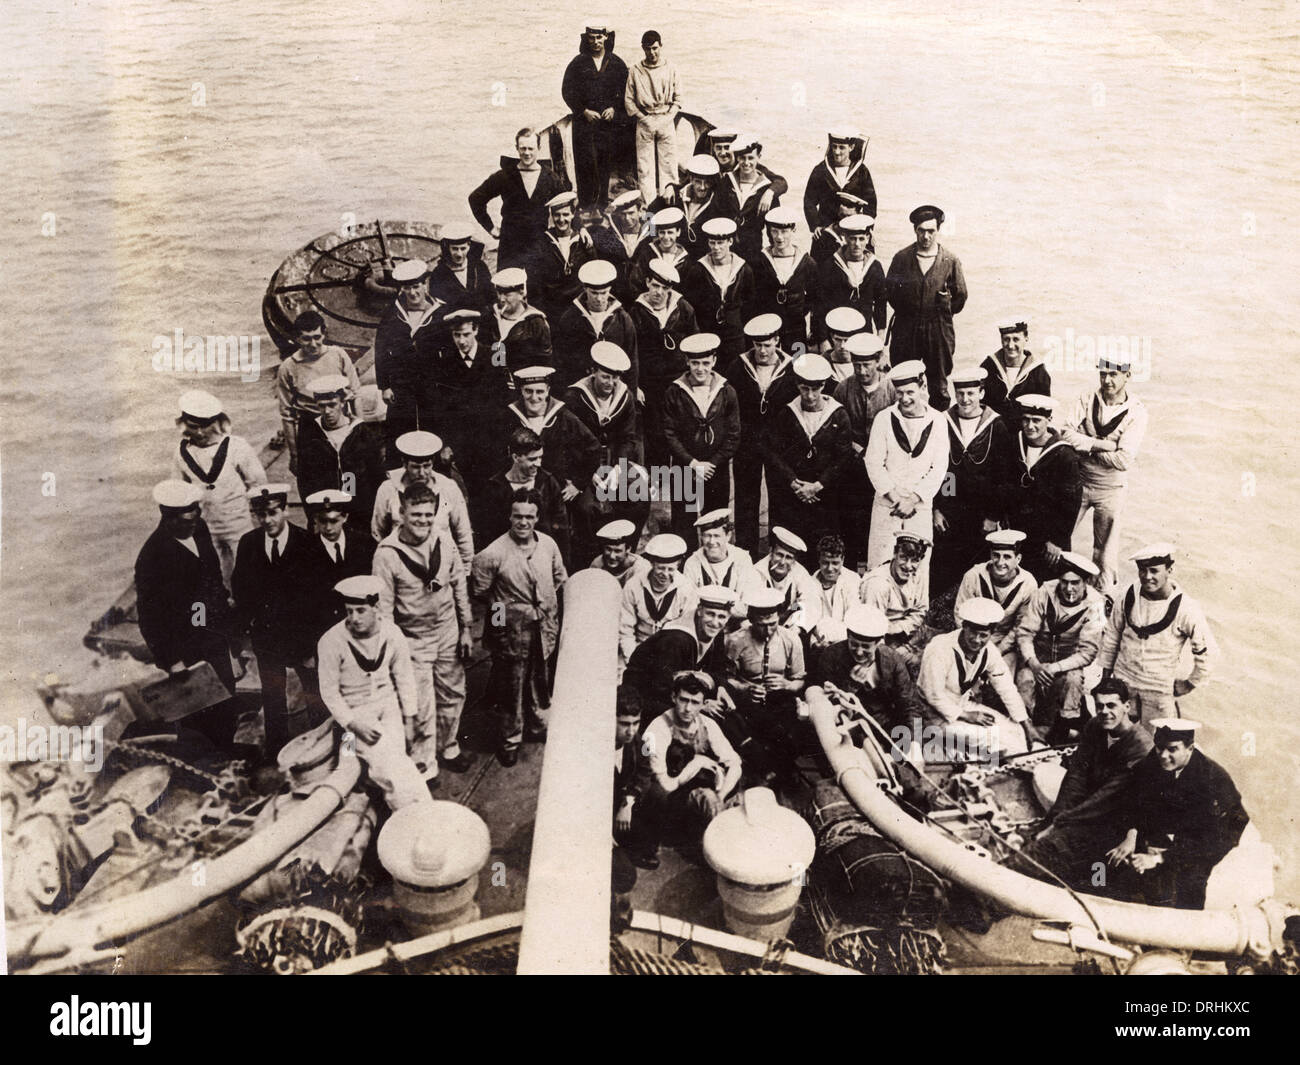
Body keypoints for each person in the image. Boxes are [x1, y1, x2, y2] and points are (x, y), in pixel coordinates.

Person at [373, 482, 474, 781]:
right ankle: (424, 764)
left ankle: (449, 746)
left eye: (429, 515)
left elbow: (458, 584)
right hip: (412, 639)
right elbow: (384, 610)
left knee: (453, 693)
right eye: (416, 515)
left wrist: (466, 627)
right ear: (402, 513)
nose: (423, 521)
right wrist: (391, 654)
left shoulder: (444, 540)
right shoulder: (387, 554)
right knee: (419, 704)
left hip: (446, 630)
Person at [1010, 677, 1152, 889]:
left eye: (1111, 705)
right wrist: (1054, 818)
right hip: (1089, 810)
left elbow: (1106, 798)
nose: (1105, 712)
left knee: (1056, 852)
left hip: (1116, 821)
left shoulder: (1140, 747)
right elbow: (1075, 777)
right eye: (1099, 706)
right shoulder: (1096, 726)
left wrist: (1060, 824)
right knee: (1043, 845)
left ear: (1127, 706)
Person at [134, 481, 238, 746]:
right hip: (185, 643)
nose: (192, 525)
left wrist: (226, 620)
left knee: (226, 697)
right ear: (168, 517)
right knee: (196, 712)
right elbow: (149, 617)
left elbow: (212, 576)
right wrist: (171, 660)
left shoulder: (199, 529)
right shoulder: (152, 557)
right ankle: (202, 763)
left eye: (195, 517)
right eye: (185, 522)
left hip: (212, 632)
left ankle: (225, 753)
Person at [231, 484, 330, 763]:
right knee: (273, 699)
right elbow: (241, 592)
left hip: (302, 641)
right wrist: (239, 642)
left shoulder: (308, 544)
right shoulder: (248, 544)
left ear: (286, 510)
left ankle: (321, 751)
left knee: (315, 699)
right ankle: (275, 756)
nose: (267, 521)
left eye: (273, 513)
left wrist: (312, 648)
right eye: (260, 514)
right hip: (268, 641)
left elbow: (318, 600)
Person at [1105, 719, 1248, 910]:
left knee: (1191, 882)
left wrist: (1159, 858)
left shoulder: (1211, 780)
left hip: (1208, 839)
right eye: (1159, 748)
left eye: (1172, 749)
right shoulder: (1155, 760)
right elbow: (1134, 796)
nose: (1163, 755)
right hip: (1168, 827)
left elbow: (1212, 840)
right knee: (1114, 855)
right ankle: (1111, 895)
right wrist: (1132, 833)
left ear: (1189, 748)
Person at [316, 576, 432, 809]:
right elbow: (329, 692)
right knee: (393, 765)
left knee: (396, 761)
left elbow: (404, 677)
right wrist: (352, 724)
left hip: (387, 705)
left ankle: (409, 812)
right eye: (349, 611)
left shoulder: (392, 633)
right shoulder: (331, 641)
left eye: (360, 611)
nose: (353, 618)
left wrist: (409, 720)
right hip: (355, 712)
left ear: (376, 608)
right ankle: (419, 814)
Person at [471, 489, 568, 766]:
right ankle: (510, 740)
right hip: (513, 633)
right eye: (518, 517)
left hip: (543, 629)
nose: (523, 522)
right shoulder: (493, 553)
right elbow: (485, 595)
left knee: (540, 679)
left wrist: (547, 610)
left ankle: (538, 726)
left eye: (529, 517)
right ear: (509, 517)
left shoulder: (548, 545)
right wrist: (501, 630)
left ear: (537, 518)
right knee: (511, 688)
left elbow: (560, 577)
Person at [1059, 353, 1149, 597]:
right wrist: (1103, 445)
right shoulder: (1087, 398)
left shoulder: (1137, 412)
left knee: (1104, 553)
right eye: (1103, 373)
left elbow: (1122, 460)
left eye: (1114, 374)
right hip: (1079, 482)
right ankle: (1057, 593)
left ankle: (1102, 604)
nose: (1107, 380)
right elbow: (1065, 434)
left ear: (1127, 376)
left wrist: (1086, 448)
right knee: (1058, 536)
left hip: (1111, 490)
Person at [1098, 543, 1217, 722]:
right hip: (1124, 681)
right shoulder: (1126, 596)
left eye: (1154, 571)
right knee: (1117, 739)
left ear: (1169, 570)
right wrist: (1106, 679)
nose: (1147, 577)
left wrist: (1190, 683)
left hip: (1158, 689)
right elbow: (1112, 636)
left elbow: (1209, 652)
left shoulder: (1187, 609)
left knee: (1155, 743)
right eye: (1142, 570)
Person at [917, 597, 1041, 760]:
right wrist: (967, 716)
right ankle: (1020, 767)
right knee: (993, 738)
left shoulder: (989, 651)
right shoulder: (940, 647)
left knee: (1015, 729)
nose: (977, 640)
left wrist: (1027, 725)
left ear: (991, 633)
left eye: (983, 635)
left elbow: (1007, 689)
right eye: (973, 633)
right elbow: (933, 695)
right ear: (964, 627)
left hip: (963, 705)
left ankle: (1030, 761)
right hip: (932, 714)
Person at [637, 671, 742, 861]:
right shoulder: (657, 728)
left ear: (703, 704)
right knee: (705, 800)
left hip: (692, 786)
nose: (687, 708)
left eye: (695, 703)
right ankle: (724, 853)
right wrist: (697, 764)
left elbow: (735, 762)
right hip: (665, 793)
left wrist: (721, 794)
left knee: (737, 797)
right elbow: (665, 784)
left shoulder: (707, 724)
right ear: (673, 697)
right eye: (683, 700)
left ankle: (723, 843)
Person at [499, 367, 602, 556]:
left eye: (540, 391)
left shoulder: (562, 416)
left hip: (560, 485)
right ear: (521, 391)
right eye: (528, 391)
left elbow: (593, 448)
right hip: (524, 483)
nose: (534, 397)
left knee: (586, 511)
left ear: (547, 391)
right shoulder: (511, 417)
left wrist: (577, 484)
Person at [930, 365, 1015, 594]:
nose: (965, 400)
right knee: (945, 564)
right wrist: (939, 508)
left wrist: (992, 515)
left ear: (981, 393)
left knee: (977, 566)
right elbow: (944, 470)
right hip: (952, 508)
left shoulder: (996, 425)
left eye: (971, 393)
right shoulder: (944, 422)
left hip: (982, 511)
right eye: (960, 394)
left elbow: (1003, 476)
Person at [172, 389, 267, 586]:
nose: (199, 433)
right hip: (206, 526)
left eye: (205, 427)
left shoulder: (236, 447)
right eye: (193, 427)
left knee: (247, 569)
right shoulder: (181, 454)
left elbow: (258, 483)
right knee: (213, 572)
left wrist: (263, 515)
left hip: (237, 523)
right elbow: (178, 492)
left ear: (216, 423)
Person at [863, 361, 950, 570]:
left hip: (918, 506)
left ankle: (915, 604)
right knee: (881, 562)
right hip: (888, 506)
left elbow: (939, 468)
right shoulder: (884, 419)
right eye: (899, 393)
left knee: (917, 565)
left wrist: (912, 499)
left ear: (922, 388)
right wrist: (895, 498)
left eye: (910, 392)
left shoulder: (938, 421)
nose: (905, 398)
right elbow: (873, 462)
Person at [724, 312, 798, 553]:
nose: (763, 351)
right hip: (748, 441)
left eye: (767, 345)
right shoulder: (738, 367)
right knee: (746, 496)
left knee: (781, 496)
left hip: (778, 444)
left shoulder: (792, 368)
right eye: (758, 345)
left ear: (777, 340)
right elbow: (729, 404)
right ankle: (746, 551)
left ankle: (779, 548)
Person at [763, 352, 854, 548]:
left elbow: (844, 457)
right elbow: (773, 452)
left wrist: (819, 485)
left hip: (825, 494)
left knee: (823, 543)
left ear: (823, 386)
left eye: (815, 389)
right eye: (805, 389)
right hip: (795, 494)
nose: (810, 396)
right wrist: (793, 482)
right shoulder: (787, 413)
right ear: (797, 385)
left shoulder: (838, 415)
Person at [1014, 552, 1107, 739]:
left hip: (1067, 663)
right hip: (1038, 659)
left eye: (1075, 583)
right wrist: (1033, 663)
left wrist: (1055, 668)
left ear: (1085, 582)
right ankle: (1024, 729)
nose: (1069, 588)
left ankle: (1065, 730)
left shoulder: (1095, 604)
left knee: (1073, 681)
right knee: (1024, 678)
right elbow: (1025, 633)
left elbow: (1088, 652)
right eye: (1064, 582)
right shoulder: (1044, 593)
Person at [720, 587, 807, 784]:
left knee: (786, 728)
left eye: (772, 624)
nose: (767, 631)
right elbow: (725, 679)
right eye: (761, 625)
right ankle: (763, 770)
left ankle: (782, 770)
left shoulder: (791, 639)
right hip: (748, 702)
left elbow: (800, 680)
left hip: (780, 700)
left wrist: (786, 684)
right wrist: (745, 688)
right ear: (750, 619)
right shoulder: (735, 640)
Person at [886, 205, 968, 410]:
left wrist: (945, 305)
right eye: (921, 230)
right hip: (907, 327)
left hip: (938, 329)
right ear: (915, 230)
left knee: (939, 385)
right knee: (903, 379)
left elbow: (961, 297)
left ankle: (939, 428)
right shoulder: (901, 258)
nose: (926, 236)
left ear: (938, 230)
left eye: (931, 231)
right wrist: (909, 309)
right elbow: (890, 292)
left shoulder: (950, 260)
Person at [661, 333, 742, 540]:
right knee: (683, 521)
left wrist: (712, 463)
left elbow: (733, 434)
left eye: (706, 363)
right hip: (684, 466)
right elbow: (669, 434)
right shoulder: (674, 391)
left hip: (716, 469)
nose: (700, 369)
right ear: (687, 361)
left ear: (714, 361)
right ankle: (684, 564)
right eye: (695, 363)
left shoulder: (727, 391)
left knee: (715, 522)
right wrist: (693, 463)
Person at [622, 585, 737, 728]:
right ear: (699, 610)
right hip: (646, 698)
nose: (715, 622)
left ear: (728, 617)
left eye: (721, 616)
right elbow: (660, 687)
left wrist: (721, 688)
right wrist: (700, 706)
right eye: (710, 614)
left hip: (680, 694)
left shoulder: (716, 630)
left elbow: (718, 668)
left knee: (732, 702)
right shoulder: (677, 640)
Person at [295, 375, 388, 543]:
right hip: (326, 516)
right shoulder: (311, 436)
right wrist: (312, 516)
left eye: (332, 405)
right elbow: (305, 481)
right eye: (322, 406)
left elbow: (377, 477)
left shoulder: (361, 433)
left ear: (343, 403)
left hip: (360, 513)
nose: (327, 411)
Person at [430, 309, 512, 494]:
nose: (461, 341)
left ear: (475, 330)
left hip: (492, 441)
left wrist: (504, 440)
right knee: (474, 493)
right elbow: (441, 409)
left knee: (497, 491)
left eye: (466, 334)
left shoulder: (496, 354)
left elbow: (504, 399)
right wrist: (445, 444)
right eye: (456, 335)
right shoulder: (445, 362)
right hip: (463, 445)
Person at [808, 603, 920, 736]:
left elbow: (909, 705)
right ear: (847, 637)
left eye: (866, 647)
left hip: (884, 724)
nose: (859, 652)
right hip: (844, 726)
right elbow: (824, 704)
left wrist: (915, 741)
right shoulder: (831, 656)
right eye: (854, 644)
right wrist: (851, 686)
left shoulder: (892, 660)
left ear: (879, 643)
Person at [468, 128, 571, 270]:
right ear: (517, 148)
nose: (527, 153)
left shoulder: (550, 177)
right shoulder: (504, 176)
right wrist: (491, 228)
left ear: (539, 148)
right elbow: (475, 199)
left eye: (531, 148)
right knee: (509, 287)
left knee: (537, 287)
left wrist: (579, 229)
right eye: (523, 148)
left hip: (539, 245)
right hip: (510, 245)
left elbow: (566, 205)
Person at [274, 311, 361, 477]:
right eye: (306, 338)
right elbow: (287, 415)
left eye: (317, 337)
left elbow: (355, 394)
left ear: (324, 333)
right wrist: (294, 455)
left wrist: (360, 432)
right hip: (311, 428)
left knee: (349, 475)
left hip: (341, 421)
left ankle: (349, 501)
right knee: (317, 479)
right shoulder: (288, 367)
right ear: (297, 338)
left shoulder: (338, 355)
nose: (313, 344)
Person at [1005, 395, 1082, 581]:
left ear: (1049, 420)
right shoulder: (1015, 445)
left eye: (1036, 420)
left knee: (1046, 584)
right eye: (1025, 419)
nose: (1029, 426)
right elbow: (1003, 484)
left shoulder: (1065, 455)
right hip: (1018, 530)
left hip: (1048, 538)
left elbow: (1071, 504)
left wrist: (1056, 540)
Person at [629, 258, 697, 470]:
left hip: (678, 381)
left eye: (664, 288)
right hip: (651, 384)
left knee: (680, 430)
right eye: (655, 285)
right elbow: (630, 351)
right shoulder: (636, 312)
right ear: (647, 282)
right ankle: (658, 485)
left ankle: (679, 485)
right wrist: (636, 385)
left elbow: (695, 342)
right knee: (655, 433)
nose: (658, 292)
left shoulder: (683, 308)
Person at [833, 333, 893, 569]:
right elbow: (836, 427)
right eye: (856, 365)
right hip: (852, 466)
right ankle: (850, 567)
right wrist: (857, 449)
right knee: (851, 515)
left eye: (867, 365)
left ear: (878, 360)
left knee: (878, 518)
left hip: (883, 466)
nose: (861, 371)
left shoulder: (891, 388)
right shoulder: (843, 388)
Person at [373, 258, 446, 454]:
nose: (412, 293)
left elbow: (449, 349)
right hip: (401, 384)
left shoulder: (440, 313)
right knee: (400, 428)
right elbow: (380, 350)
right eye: (407, 288)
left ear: (425, 285)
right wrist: (385, 386)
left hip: (432, 383)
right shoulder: (391, 315)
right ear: (402, 290)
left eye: (416, 287)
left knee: (433, 427)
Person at [371, 431, 475, 568]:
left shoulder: (448, 487)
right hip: (402, 567)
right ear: (404, 463)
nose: (422, 473)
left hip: (442, 566)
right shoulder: (388, 489)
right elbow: (378, 532)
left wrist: (466, 570)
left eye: (427, 466)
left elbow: (463, 532)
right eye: (415, 467)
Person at [561, 25, 633, 208]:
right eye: (592, 38)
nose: (595, 42)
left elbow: (627, 92)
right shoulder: (578, 63)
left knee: (604, 164)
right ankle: (586, 207)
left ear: (606, 37)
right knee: (585, 164)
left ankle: (602, 207)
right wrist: (583, 111)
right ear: (587, 38)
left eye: (599, 37)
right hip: (584, 123)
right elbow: (567, 91)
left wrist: (614, 109)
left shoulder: (616, 63)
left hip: (607, 125)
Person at [476, 426, 571, 559]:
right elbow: (486, 534)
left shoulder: (548, 483)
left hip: (542, 560)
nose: (538, 464)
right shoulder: (494, 488)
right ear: (516, 457)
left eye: (540, 458)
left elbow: (561, 530)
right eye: (532, 459)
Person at [552, 259, 640, 391]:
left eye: (603, 293)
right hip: (579, 389)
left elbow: (632, 360)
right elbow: (561, 361)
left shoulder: (622, 319)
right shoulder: (570, 319)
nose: (599, 299)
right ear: (585, 289)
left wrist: (630, 394)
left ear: (610, 290)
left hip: (612, 388)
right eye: (594, 293)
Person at [954, 529, 1039, 663]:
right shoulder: (974, 576)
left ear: (1018, 559)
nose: (1000, 562)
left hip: (1004, 644)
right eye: (996, 555)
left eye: (1007, 556)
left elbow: (1020, 626)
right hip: (972, 640)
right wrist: (972, 644)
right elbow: (961, 614)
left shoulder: (1028, 583)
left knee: (1002, 677)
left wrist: (997, 651)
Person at [680, 217, 756, 362]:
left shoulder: (744, 269)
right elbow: (691, 304)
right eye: (712, 243)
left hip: (735, 335)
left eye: (720, 243)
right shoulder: (698, 270)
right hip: (708, 331)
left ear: (730, 242)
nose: (716, 248)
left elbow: (750, 303)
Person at [618, 532, 697, 669]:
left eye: (670, 569)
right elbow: (625, 629)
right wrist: (633, 659)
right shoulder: (633, 585)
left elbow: (689, 631)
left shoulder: (686, 589)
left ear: (678, 565)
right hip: (638, 647)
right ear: (652, 564)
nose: (665, 574)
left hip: (670, 653)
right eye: (660, 568)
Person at [624, 28, 682, 203]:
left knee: (669, 166)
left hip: (666, 119)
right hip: (645, 121)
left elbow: (678, 99)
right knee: (645, 168)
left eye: (655, 48)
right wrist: (645, 119)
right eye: (648, 49)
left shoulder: (671, 68)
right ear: (643, 48)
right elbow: (629, 101)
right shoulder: (635, 71)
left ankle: (669, 206)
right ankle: (649, 207)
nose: (652, 53)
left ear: (661, 46)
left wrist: (666, 118)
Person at [749, 205, 818, 353]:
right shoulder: (759, 262)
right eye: (775, 231)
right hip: (767, 330)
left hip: (796, 329)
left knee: (798, 364)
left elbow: (814, 297)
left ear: (793, 230)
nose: (779, 237)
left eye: (784, 231)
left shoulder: (806, 263)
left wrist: (798, 310)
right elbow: (752, 296)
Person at [858, 531, 932, 668]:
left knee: (937, 650)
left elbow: (921, 610)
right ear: (894, 554)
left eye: (915, 560)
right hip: (880, 638)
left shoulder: (919, 575)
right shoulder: (878, 583)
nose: (908, 566)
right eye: (903, 558)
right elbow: (872, 628)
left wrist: (902, 632)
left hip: (906, 632)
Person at [524, 192, 598, 323]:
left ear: (572, 215)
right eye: (557, 215)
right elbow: (534, 284)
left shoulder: (583, 241)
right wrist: (541, 315)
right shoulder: (541, 243)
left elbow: (594, 275)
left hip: (579, 309)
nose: (561, 219)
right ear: (552, 216)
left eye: (565, 214)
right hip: (553, 310)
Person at [814, 214, 887, 340]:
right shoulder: (831, 265)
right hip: (837, 333)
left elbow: (881, 302)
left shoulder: (874, 266)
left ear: (868, 238)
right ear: (845, 238)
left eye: (861, 239)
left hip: (864, 331)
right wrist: (823, 339)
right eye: (853, 239)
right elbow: (820, 304)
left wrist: (881, 333)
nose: (857, 244)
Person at [715, 133, 783, 259]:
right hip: (725, 251)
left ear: (758, 157)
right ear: (737, 158)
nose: (746, 163)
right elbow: (717, 214)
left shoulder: (766, 188)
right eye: (742, 158)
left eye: (751, 158)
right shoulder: (726, 182)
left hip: (753, 251)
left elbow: (772, 227)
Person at [479, 267, 554, 373]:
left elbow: (544, 362)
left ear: (521, 293)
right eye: (499, 293)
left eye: (507, 294)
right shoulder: (490, 318)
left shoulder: (536, 322)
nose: (501, 299)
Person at [804, 130, 877, 236]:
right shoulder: (821, 170)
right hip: (827, 228)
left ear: (851, 147)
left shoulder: (861, 171)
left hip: (854, 228)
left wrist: (866, 227)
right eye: (834, 147)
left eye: (842, 147)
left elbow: (871, 203)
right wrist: (816, 225)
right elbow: (809, 200)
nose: (837, 152)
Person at [752, 526, 822, 636]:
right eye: (779, 555)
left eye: (789, 557)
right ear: (771, 552)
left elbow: (810, 603)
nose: (782, 562)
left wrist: (796, 628)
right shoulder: (756, 571)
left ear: (794, 561)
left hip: (789, 623)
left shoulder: (800, 573)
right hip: (762, 625)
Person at [680, 509, 758, 608]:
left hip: (736, 618)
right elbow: (690, 603)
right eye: (707, 536)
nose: (712, 541)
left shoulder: (742, 559)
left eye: (717, 536)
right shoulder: (692, 563)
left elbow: (748, 599)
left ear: (728, 536)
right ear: (701, 537)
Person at [978, 315, 1050, 419]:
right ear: (1001, 340)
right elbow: (979, 403)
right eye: (1006, 339)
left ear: (1026, 338)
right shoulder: (989, 366)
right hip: (994, 429)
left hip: (1025, 430)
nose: (1011, 345)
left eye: (1016, 339)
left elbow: (1045, 410)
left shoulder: (1037, 371)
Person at [613, 695, 656, 868]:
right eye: (624, 724)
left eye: (635, 723)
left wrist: (628, 801)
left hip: (623, 801)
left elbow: (646, 771)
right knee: (625, 876)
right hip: (601, 810)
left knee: (657, 794)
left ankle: (638, 847)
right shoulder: (594, 747)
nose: (631, 731)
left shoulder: (639, 740)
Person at [657, 154, 726, 257]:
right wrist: (654, 237)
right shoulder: (675, 195)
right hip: (674, 256)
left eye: (707, 182)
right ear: (691, 179)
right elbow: (649, 212)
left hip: (701, 259)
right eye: (698, 181)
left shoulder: (717, 204)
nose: (702, 187)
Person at [306, 489, 375, 588]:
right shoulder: (306, 550)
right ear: (315, 519)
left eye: (334, 521)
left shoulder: (364, 543)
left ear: (345, 517)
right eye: (323, 521)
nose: (328, 528)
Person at [808, 533, 862, 651]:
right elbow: (806, 614)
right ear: (819, 560)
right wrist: (817, 642)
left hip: (847, 642)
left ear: (842, 560)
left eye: (835, 563)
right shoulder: (808, 583)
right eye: (825, 562)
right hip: (818, 641)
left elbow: (853, 615)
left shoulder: (852, 579)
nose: (830, 568)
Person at [427, 223, 494, 315]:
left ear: (469, 246)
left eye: (463, 248)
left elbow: (491, 297)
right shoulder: (439, 274)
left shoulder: (479, 267)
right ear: (447, 248)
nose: (459, 254)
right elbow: (438, 307)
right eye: (455, 249)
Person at [629, 206, 691, 294]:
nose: (666, 237)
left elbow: (687, 290)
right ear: (658, 233)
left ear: (678, 232)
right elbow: (635, 283)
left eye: (670, 232)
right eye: (662, 232)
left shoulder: (685, 260)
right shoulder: (648, 254)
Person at [589, 518, 650, 588]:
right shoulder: (598, 564)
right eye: (608, 549)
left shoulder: (641, 568)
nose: (612, 556)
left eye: (617, 551)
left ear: (628, 549)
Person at [819, 305, 867, 382]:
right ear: (831, 337)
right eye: (838, 340)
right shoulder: (821, 363)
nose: (842, 346)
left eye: (847, 340)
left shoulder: (865, 363)